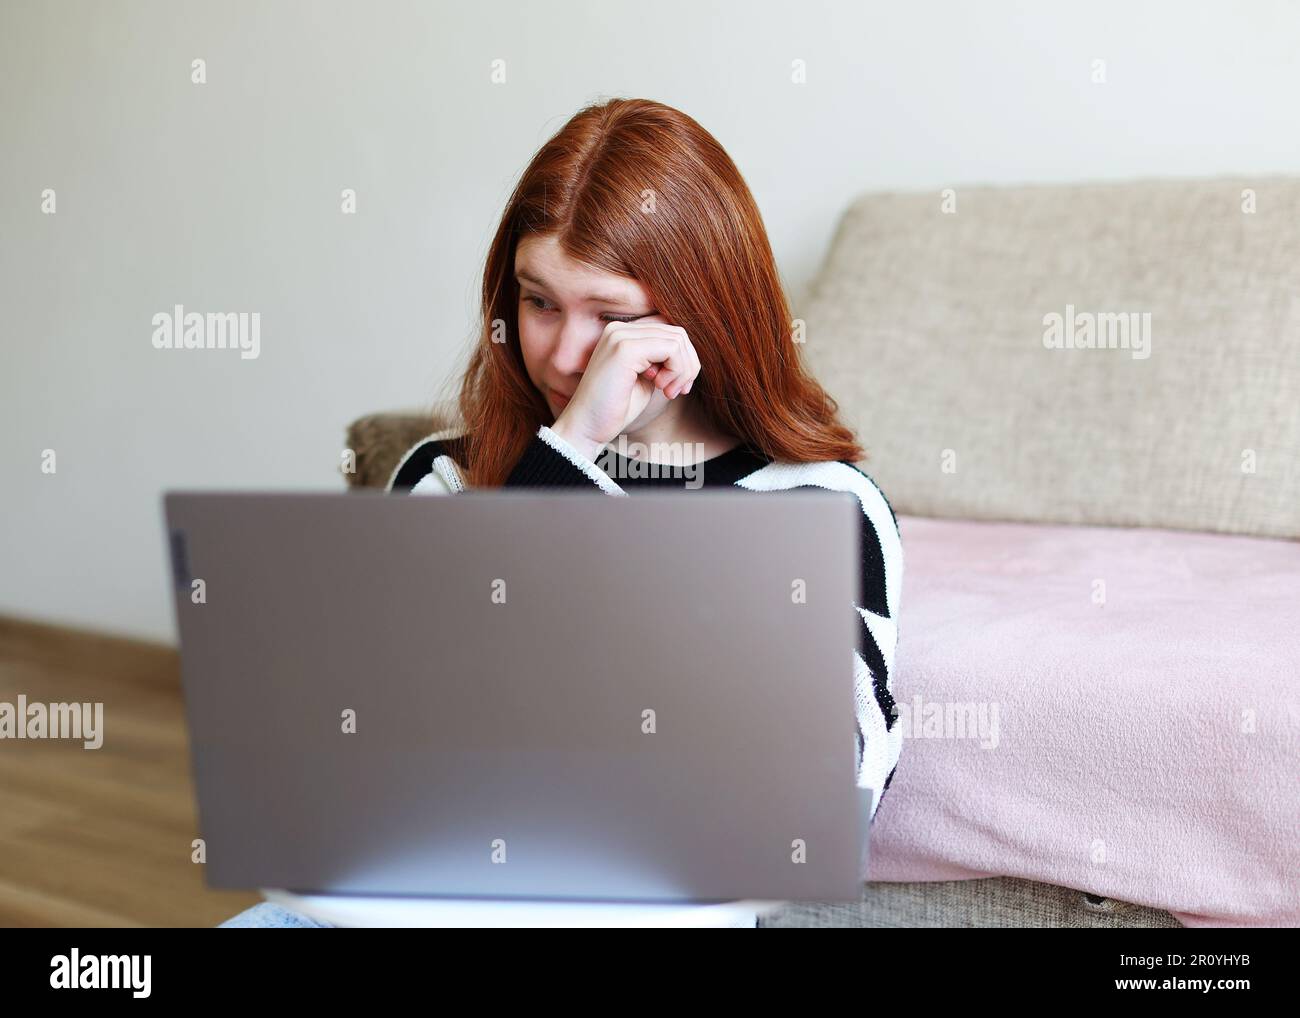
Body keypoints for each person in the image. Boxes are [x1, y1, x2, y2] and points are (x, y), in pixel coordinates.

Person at [221, 97, 902, 928]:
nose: (563, 353)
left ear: (705, 313)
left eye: (610, 317)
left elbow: (821, 798)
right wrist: (571, 449)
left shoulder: (815, 505)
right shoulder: (446, 476)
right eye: (539, 302)